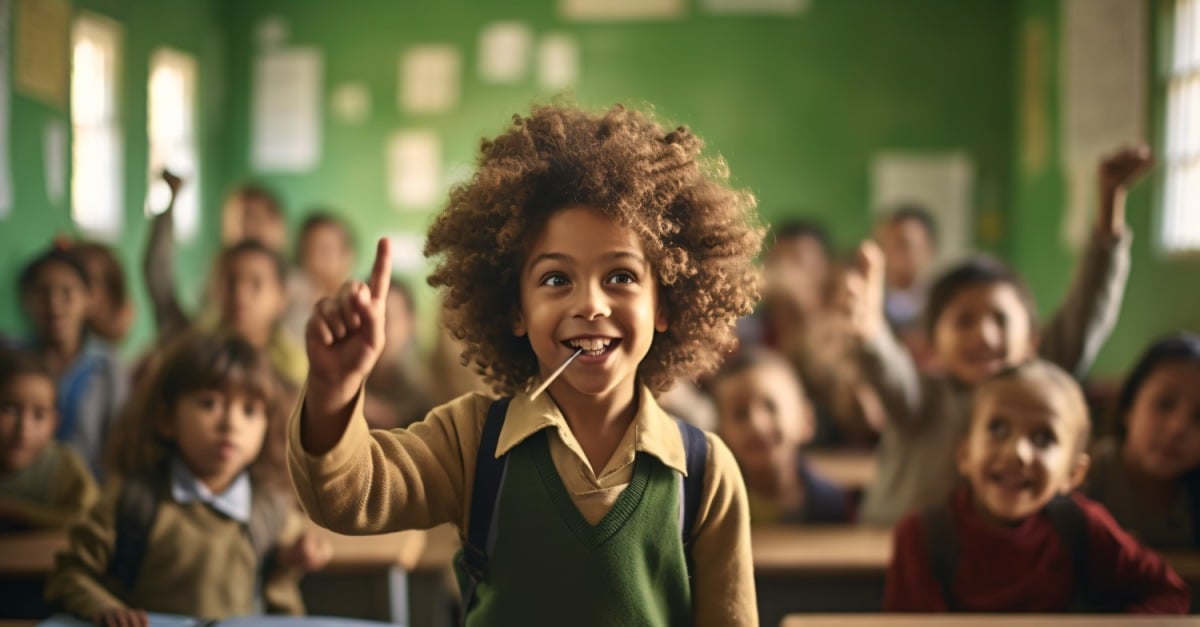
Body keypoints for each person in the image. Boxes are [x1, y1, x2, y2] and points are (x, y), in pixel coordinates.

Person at [289, 104, 763, 626]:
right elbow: (347, 496)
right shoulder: (471, 442)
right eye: (556, 279)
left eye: (621, 277)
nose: (591, 305)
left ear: (666, 305)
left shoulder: (706, 475)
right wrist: (334, 387)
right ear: (515, 310)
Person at [844, 144, 1153, 526]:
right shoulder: (922, 400)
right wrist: (869, 329)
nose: (985, 335)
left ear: (1031, 340)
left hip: (997, 569)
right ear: (931, 342)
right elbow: (885, 366)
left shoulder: (1038, 389)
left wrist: (1109, 207)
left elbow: (1086, 314)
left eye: (1001, 320)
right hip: (894, 560)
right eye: (964, 321)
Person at [47, 332, 331, 624]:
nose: (231, 423)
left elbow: (279, 577)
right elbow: (71, 573)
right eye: (209, 404)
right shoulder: (132, 501)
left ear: (267, 426)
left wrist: (296, 556)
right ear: (166, 419)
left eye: (249, 411)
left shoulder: (270, 507)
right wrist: (103, 607)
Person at [885, 360, 1189, 613]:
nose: (1017, 452)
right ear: (964, 454)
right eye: (998, 428)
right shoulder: (923, 536)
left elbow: (1170, 593)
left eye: (1044, 439)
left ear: (1073, 473)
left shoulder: (1081, 525)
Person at [18, 246, 127, 476]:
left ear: (88, 300)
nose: (54, 304)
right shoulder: (13, 361)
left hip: (87, 498)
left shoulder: (108, 367)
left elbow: (120, 445)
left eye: (67, 292)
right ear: (26, 300)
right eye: (42, 293)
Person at [1087, 334, 1200, 550]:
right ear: (1128, 406)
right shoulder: (1085, 477)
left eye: (1199, 417)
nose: (1177, 428)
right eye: (1164, 404)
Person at [712, 348, 851, 524]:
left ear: (806, 420)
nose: (757, 424)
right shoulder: (714, 511)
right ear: (721, 433)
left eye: (771, 407)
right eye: (740, 414)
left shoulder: (835, 506)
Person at [0, 348, 97, 530]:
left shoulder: (64, 468)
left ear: (54, 424)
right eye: (9, 409)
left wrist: (15, 511)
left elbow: (89, 516)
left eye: (39, 415)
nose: (23, 429)